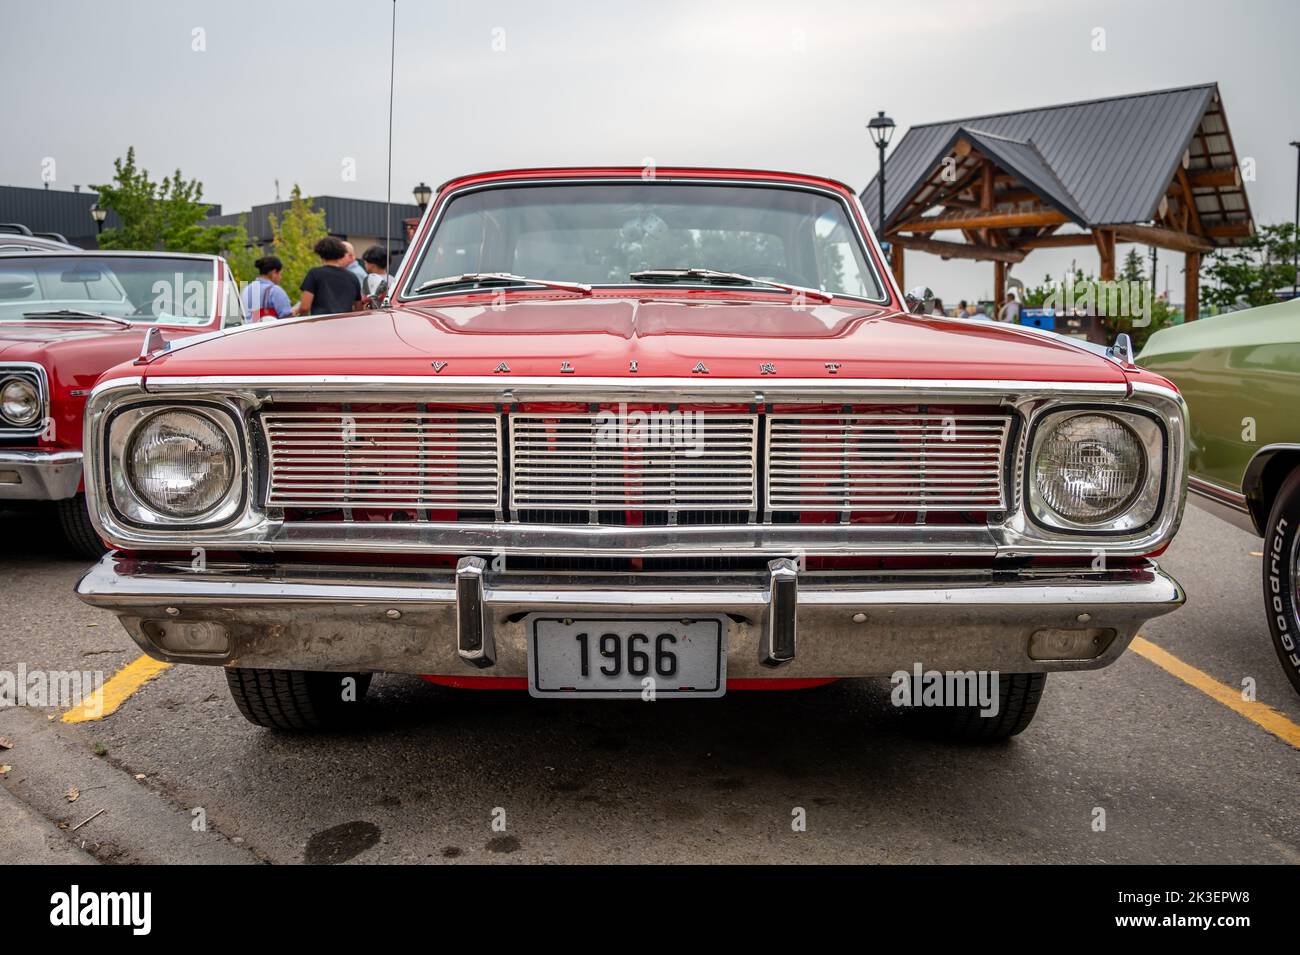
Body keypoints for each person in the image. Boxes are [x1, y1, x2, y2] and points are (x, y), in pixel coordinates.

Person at [294, 236, 362, 316]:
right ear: (341, 253)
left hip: (321, 324)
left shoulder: (314, 274)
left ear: (320, 254)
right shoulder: (352, 277)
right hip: (345, 324)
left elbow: (305, 307)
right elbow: (358, 308)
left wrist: (296, 310)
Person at [242, 255, 292, 322]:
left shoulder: (245, 290)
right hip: (269, 331)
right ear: (274, 273)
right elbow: (288, 319)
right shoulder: (275, 291)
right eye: (280, 274)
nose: (280, 277)